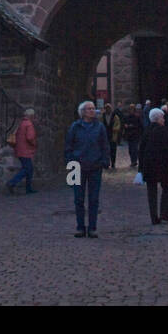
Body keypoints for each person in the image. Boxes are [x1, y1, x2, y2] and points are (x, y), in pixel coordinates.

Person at [65, 100, 111, 238]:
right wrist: (70, 161)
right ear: (83, 112)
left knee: (93, 198)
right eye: (89, 109)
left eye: (93, 108)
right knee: (78, 198)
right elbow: (69, 145)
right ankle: (80, 227)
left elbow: (104, 145)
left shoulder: (100, 127)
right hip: (77, 167)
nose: (92, 111)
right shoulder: (75, 127)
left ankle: (92, 227)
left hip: (95, 166)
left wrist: (104, 161)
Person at [138, 107, 168, 224]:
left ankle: (154, 217)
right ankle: (164, 213)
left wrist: (141, 168)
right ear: (158, 118)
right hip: (163, 166)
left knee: (152, 192)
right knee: (167, 189)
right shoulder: (163, 131)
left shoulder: (146, 131)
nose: (164, 120)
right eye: (162, 118)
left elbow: (141, 151)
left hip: (149, 166)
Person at [6, 108, 37, 196]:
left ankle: (28, 188)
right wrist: (34, 144)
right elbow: (30, 137)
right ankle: (12, 182)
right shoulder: (29, 124)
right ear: (31, 116)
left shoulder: (22, 123)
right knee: (27, 169)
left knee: (29, 169)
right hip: (26, 150)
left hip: (19, 149)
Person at [103, 102, 123, 169]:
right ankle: (106, 162)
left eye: (109, 108)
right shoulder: (103, 116)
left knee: (113, 150)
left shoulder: (115, 116)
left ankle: (113, 163)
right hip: (105, 135)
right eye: (106, 108)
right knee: (106, 150)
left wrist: (115, 129)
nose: (108, 110)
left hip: (113, 135)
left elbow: (118, 124)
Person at [122, 102, 142, 167]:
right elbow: (124, 123)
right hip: (129, 135)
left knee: (135, 149)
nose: (131, 110)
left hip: (135, 135)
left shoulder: (137, 117)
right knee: (130, 149)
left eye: (132, 109)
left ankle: (134, 161)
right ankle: (132, 160)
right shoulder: (127, 117)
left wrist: (131, 126)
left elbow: (139, 126)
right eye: (130, 109)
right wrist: (126, 126)